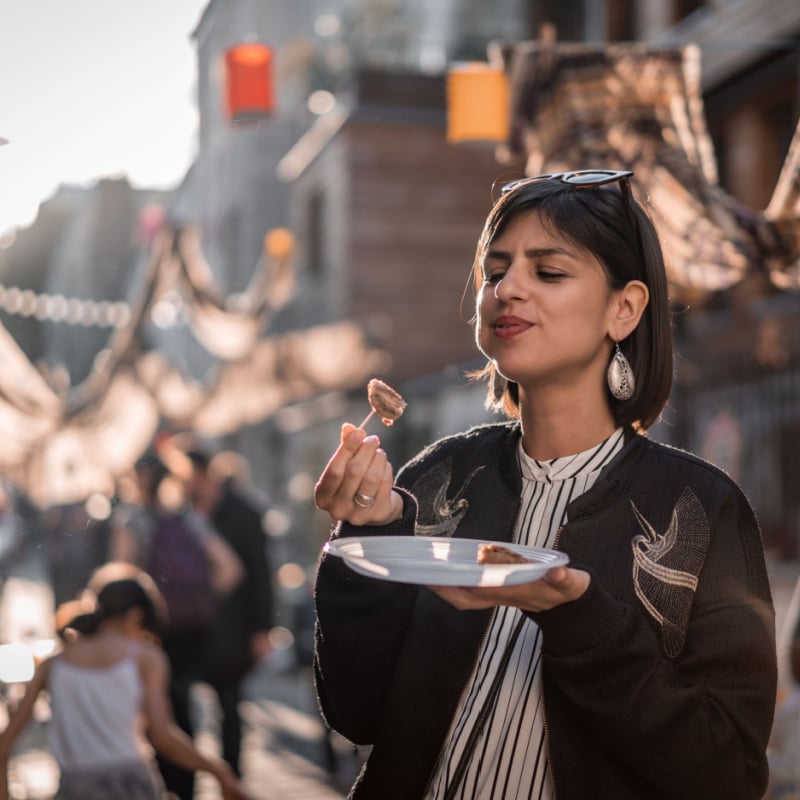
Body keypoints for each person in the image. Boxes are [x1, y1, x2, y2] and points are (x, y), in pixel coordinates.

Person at [312, 169, 777, 800]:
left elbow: (727, 772)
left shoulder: (699, 509)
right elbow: (354, 711)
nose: (508, 288)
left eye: (548, 272)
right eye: (496, 269)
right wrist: (363, 537)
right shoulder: (438, 480)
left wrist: (579, 618)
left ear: (625, 308)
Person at [0, 568, 248, 800]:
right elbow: (163, 735)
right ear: (135, 616)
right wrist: (216, 770)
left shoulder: (53, 664)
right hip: (131, 786)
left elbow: (4, 743)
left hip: (74, 789)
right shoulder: (144, 658)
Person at [111, 452, 243, 800]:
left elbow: (120, 577)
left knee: (159, 716)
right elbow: (230, 569)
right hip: (195, 630)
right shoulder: (188, 518)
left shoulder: (132, 519)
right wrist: (201, 600)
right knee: (188, 710)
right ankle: (195, 781)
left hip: (153, 632)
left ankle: (174, 788)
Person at [181, 445, 274, 778]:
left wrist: (262, 629)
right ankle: (187, 778)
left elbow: (261, 573)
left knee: (230, 704)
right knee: (181, 706)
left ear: (203, 473)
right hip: (188, 629)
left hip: (230, 629)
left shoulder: (242, 512)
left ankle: (231, 777)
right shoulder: (178, 511)